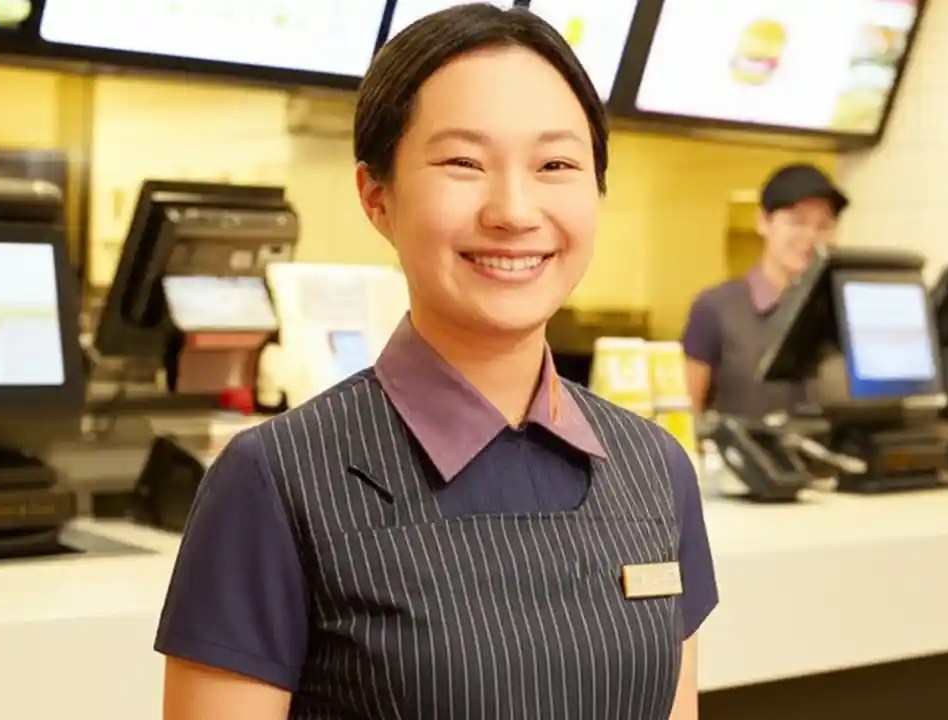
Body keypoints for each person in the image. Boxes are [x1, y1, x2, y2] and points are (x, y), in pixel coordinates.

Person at [155, 5, 719, 719]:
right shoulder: (274, 481)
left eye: (556, 164)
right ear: (376, 196)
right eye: (463, 163)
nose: (513, 210)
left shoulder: (653, 469)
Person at [682, 163, 849, 418]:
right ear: (763, 222)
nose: (811, 236)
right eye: (797, 221)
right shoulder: (715, 307)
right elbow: (687, 412)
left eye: (823, 226)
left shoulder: (839, 310)